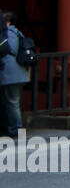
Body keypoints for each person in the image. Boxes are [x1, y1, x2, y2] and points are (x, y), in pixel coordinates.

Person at [0, 11, 30, 139]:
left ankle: (16, 130)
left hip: (11, 74)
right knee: (14, 102)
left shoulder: (8, 33)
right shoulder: (18, 32)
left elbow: (11, 49)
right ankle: (13, 128)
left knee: (12, 102)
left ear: (7, 22)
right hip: (20, 73)